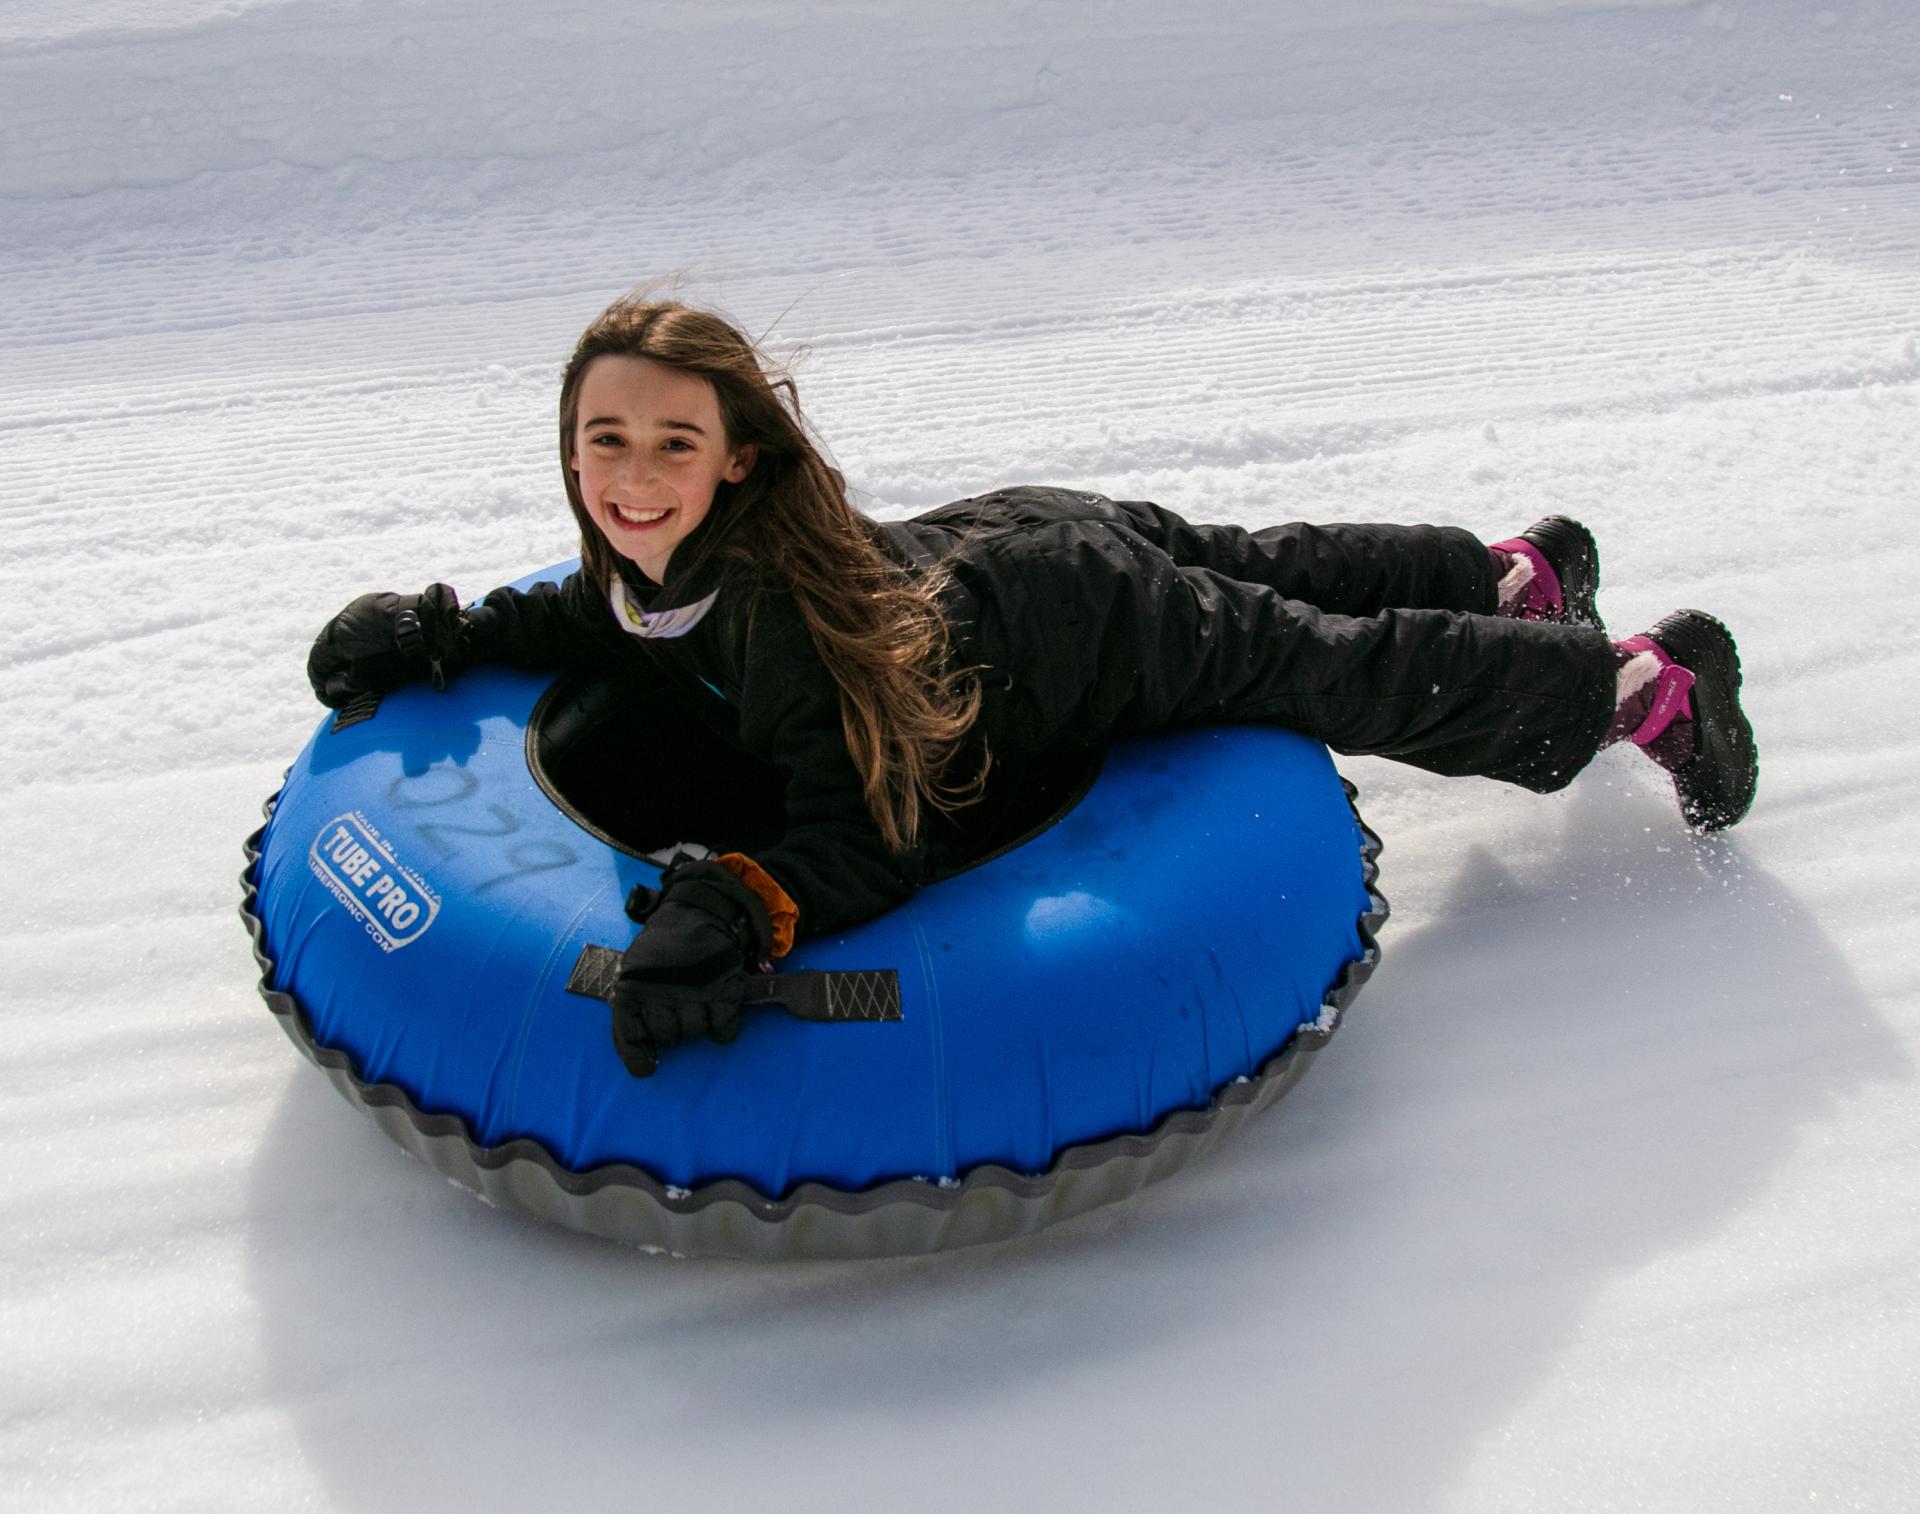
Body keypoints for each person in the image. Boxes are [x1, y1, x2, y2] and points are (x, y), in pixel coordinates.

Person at [307, 293, 1758, 1078]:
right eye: (603, 439)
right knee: (1259, 568)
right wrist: (441, 631)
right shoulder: (660, 564)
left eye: (670, 445)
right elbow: (597, 613)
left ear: (734, 456)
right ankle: (1511, 578)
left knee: (1320, 667)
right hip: (1004, 537)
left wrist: (745, 906)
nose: (629, 477)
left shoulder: (786, 627)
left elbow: (871, 834)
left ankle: (1647, 688)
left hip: (1070, 629)